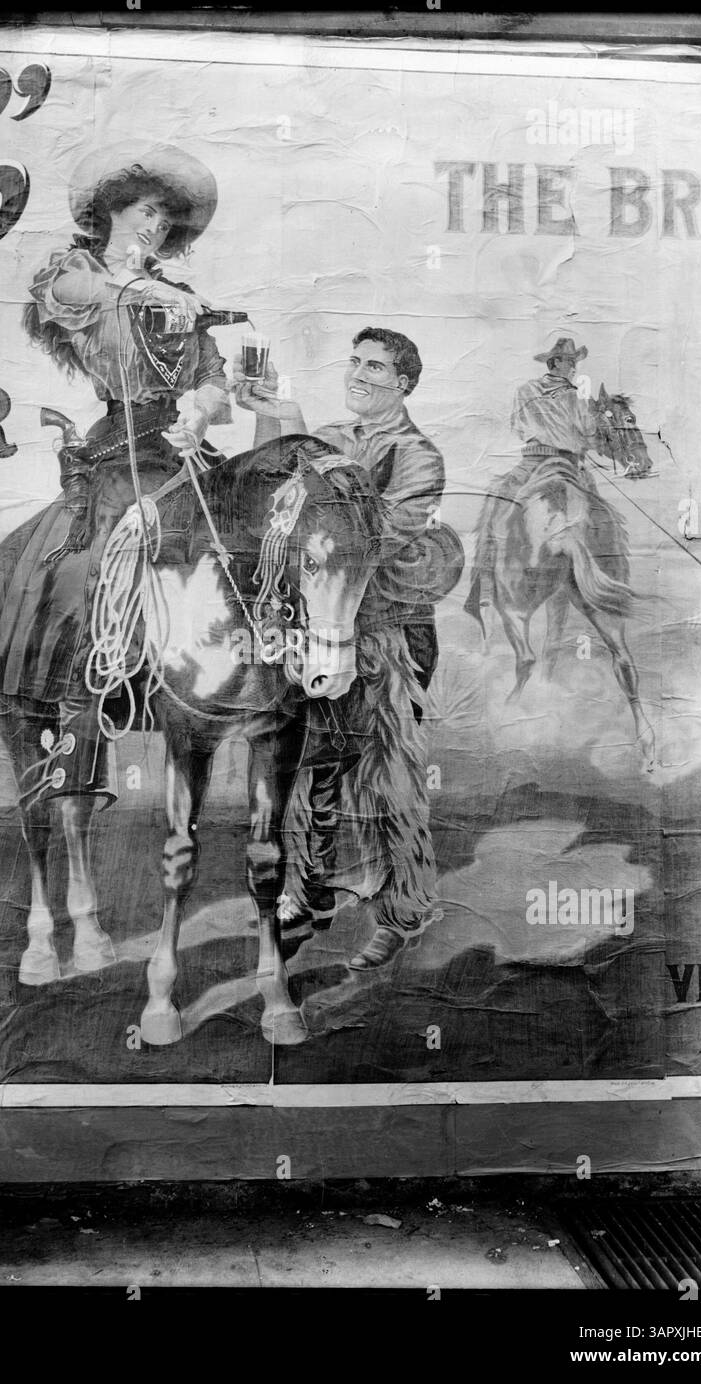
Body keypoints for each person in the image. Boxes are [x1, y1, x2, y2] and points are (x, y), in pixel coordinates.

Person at [0, 145, 232, 805]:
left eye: (167, 220)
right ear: (113, 210)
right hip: (118, 442)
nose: (156, 227)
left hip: (177, 446)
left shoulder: (180, 299)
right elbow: (63, 295)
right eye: (147, 210)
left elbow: (211, 380)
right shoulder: (77, 272)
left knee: (251, 542)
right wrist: (141, 287)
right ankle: (87, 684)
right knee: (96, 550)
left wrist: (199, 419)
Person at [233, 328, 461, 968]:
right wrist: (277, 418)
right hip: (321, 627)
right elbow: (276, 500)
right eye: (355, 361)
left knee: (389, 774)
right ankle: (306, 893)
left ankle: (403, 911)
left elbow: (374, 532)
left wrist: (318, 484)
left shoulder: (418, 455)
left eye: (377, 367)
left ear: (404, 384)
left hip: (387, 630)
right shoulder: (328, 438)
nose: (359, 373)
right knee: (307, 765)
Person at [511, 336, 595, 462]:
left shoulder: (524, 390)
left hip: (530, 461)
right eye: (570, 362)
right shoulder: (575, 395)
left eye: (575, 363)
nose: (574, 369)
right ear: (556, 362)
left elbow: (517, 429)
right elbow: (589, 430)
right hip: (565, 460)